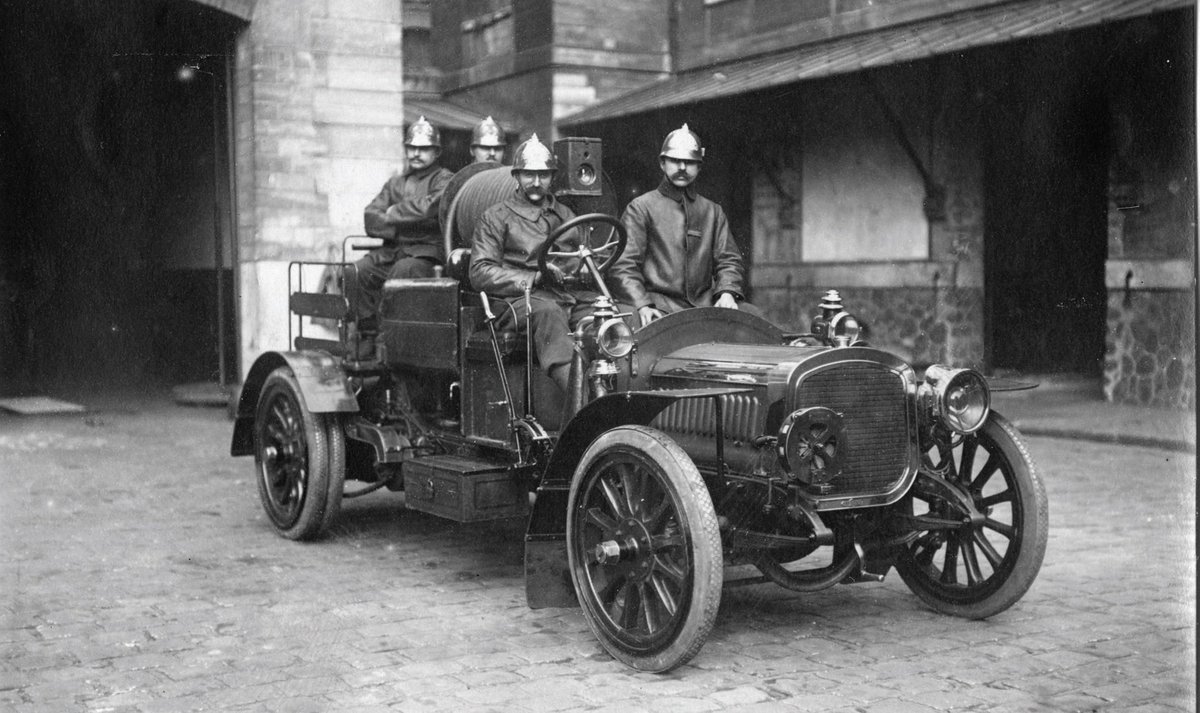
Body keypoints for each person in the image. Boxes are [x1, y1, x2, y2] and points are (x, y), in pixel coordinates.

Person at [469, 134, 593, 393]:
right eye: (529, 175)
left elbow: (586, 257)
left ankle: (615, 393)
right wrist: (533, 278)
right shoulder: (496, 217)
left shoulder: (567, 216)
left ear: (552, 177)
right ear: (516, 176)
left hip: (567, 298)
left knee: (608, 315)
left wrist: (583, 269)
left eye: (543, 175)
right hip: (517, 303)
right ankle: (581, 402)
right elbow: (480, 271)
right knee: (548, 313)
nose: (536, 182)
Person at [610, 123, 759, 327]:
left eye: (689, 162)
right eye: (675, 161)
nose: (682, 168)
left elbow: (729, 260)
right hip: (659, 303)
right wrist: (642, 304)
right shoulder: (641, 208)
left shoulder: (712, 211)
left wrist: (726, 292)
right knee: (634, 325)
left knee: (754, 317)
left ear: (699, 166)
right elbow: (624, 265)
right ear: (662, 164)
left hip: (705, 303)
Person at [352, 116, 453, 320]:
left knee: (403, 272)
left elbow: (430, 206)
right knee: (357, 271)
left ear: (437, 152)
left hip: (426, 256)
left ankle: (391, 337)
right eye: (411, 148)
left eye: (424, 149)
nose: (416, 153)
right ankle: (368, 332)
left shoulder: (445, 179)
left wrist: (391, 213)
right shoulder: (395, 183)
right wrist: (405, 226)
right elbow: (370, 217)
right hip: (392, 252)